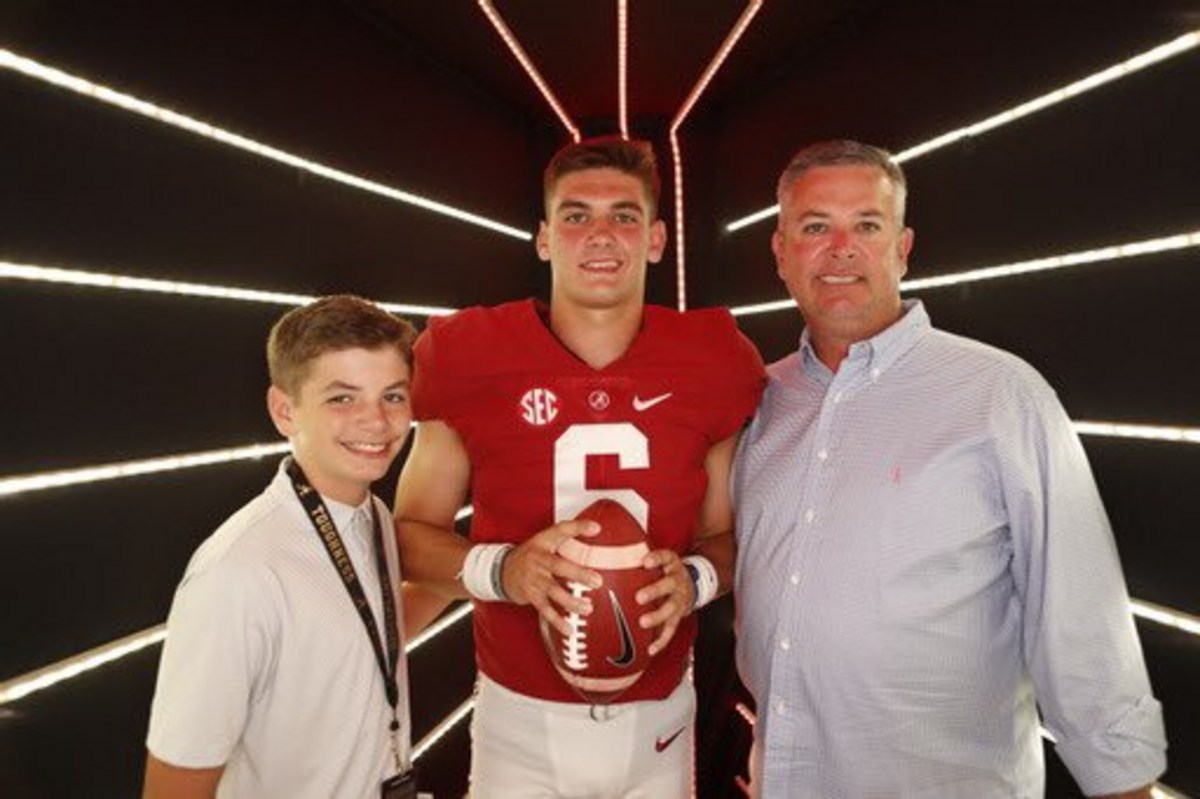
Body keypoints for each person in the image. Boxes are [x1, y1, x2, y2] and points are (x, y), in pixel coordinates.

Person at [732, 139, 1168, 798]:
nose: (841, 248)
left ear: (902, 248)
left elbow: (1080, 615)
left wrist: (1124, 781)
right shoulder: (760, 401)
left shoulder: (999, 394)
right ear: (780, 252)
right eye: (816, 227)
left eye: (867, 225)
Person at [394, 136, 765, 797]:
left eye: (623, 215)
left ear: (656, 239)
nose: (600, 234)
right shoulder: (469, 353)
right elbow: (409, 537)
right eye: (575, 215)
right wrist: (504, 570)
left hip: (660, 720)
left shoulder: (714, 357)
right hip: (518, 719)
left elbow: (728, 537)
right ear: (543, 239)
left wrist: (696, 579)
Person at [144, 295, 429, 799]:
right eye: (342, 399)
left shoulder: (375, 516)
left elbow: (356, 642)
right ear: (284, 410)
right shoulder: (237, 571)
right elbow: (174, 788)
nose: (377, 421)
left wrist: (491, 572)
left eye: (393, 396)